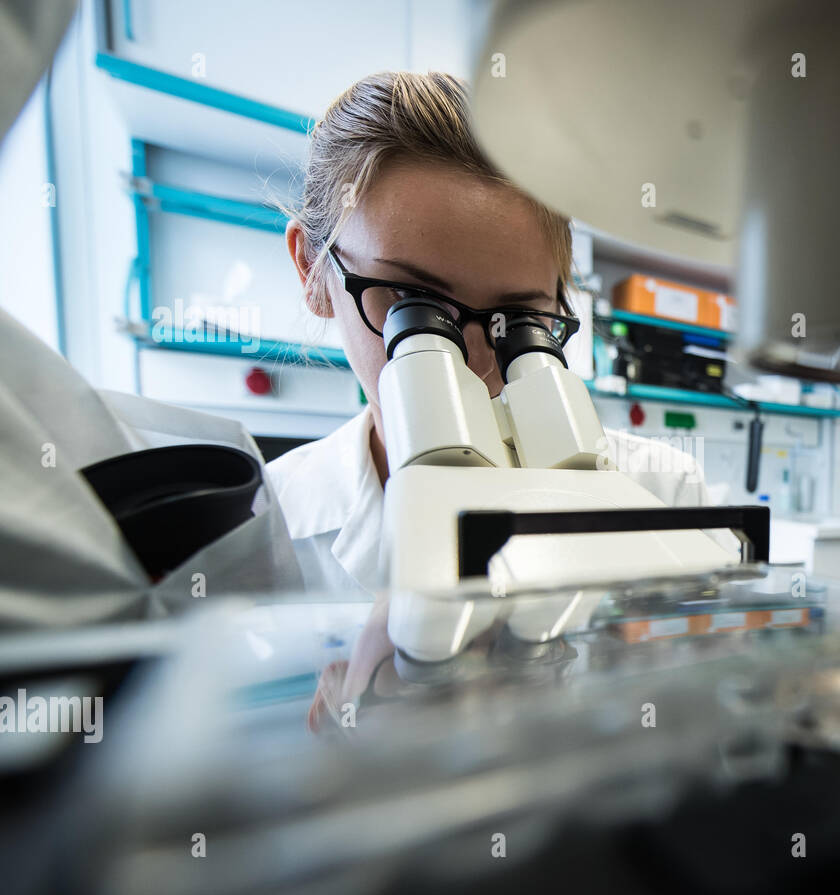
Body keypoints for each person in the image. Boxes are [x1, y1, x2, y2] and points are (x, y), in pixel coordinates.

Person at [270, 71, 717, 597]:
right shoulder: (268, 520)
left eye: (518, 321)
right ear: (312, 271)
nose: (474, 367)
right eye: (414, 305)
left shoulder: (663, 488)